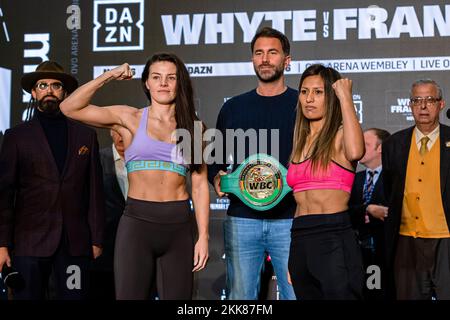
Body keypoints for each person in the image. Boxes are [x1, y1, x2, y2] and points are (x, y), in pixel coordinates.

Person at [60, 52, 210, 300]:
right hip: (137, 225)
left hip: (178, 227)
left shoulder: (194, 127)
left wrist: (203, 236)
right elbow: (68, 107)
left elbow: (199, 185)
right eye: (156, 77)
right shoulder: (128, 118)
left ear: (179, 82)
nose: (163, 83)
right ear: (146, 83)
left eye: (170, 77)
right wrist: (109, 76)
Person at [0, 61, 105, 300]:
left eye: (56, 85)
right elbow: (4, 195)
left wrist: (97, 238)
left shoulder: (85, 135)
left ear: (64, 92)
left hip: (75, 244)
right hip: (28, 244)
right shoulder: (15, 137)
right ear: (34, 92)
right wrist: (2, 245)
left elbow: (94, 191)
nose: (49, 90)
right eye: (43, 85)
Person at [208, 27, 297, 300]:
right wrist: (216, 178)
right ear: (252, 60)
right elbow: (215, 161)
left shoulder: (302, 105)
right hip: (242, 219)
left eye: (272, 52)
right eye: (259, 53)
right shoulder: (233, 107)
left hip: (292, 218)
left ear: (287, 60)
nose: (265, 59)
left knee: (296, 293)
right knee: (241, 298)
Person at [286, 64, 365, 300]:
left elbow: (356, 151)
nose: (309, 99)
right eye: (304, 91)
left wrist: (345, 97)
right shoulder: (301, 139)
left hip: (333, 234)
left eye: (318, 92)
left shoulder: (341, 134)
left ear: (330, 96)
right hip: (300, 237)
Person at [382, 79, 450, 300]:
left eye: (430, 100)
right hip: (406, 241)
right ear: (409, 105)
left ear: (441, 104)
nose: (423, 106)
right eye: (417, 100)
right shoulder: (394, 143)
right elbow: (389, 189)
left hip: (446, 240)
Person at [348, 128, 390, 300]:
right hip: (356, 254)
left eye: (365, 144)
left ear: (380, 148)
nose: (359, 147)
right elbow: (343, 210)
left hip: (386, 254)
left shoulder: (395, 177)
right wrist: (367, 209)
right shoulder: (353, 179)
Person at [89, 129, 127, 300]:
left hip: (139, 245)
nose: (121, 136)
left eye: (125, 131)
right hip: (105, 248)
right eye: (116, 131)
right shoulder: (96, 158)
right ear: (111, 132)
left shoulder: (146, 161)